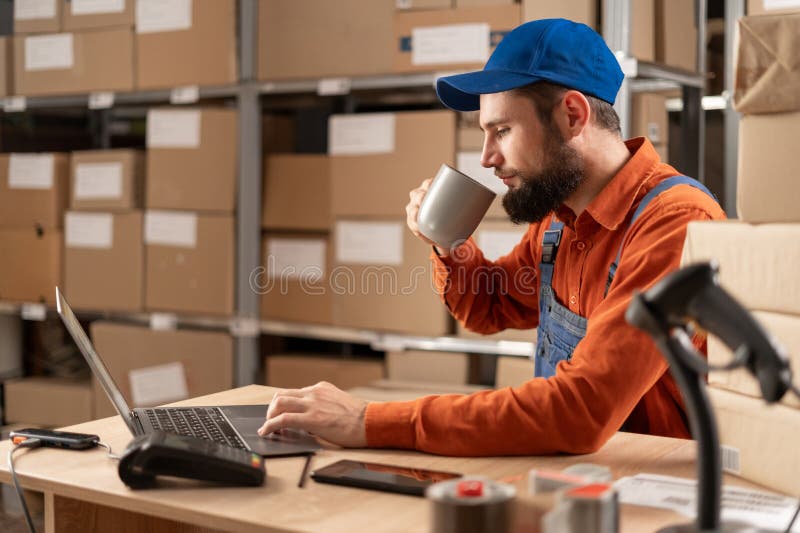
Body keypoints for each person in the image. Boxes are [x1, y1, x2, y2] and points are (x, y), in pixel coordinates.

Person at [258, 18, 726, 456]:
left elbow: (580, 409)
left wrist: (368, 421)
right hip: (584, 472)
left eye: (501, 130)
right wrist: (450, 244)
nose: (486, 158)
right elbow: (492, 305)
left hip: (658, 495)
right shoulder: (561, 215)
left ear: (572, 116)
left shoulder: (676, 224)